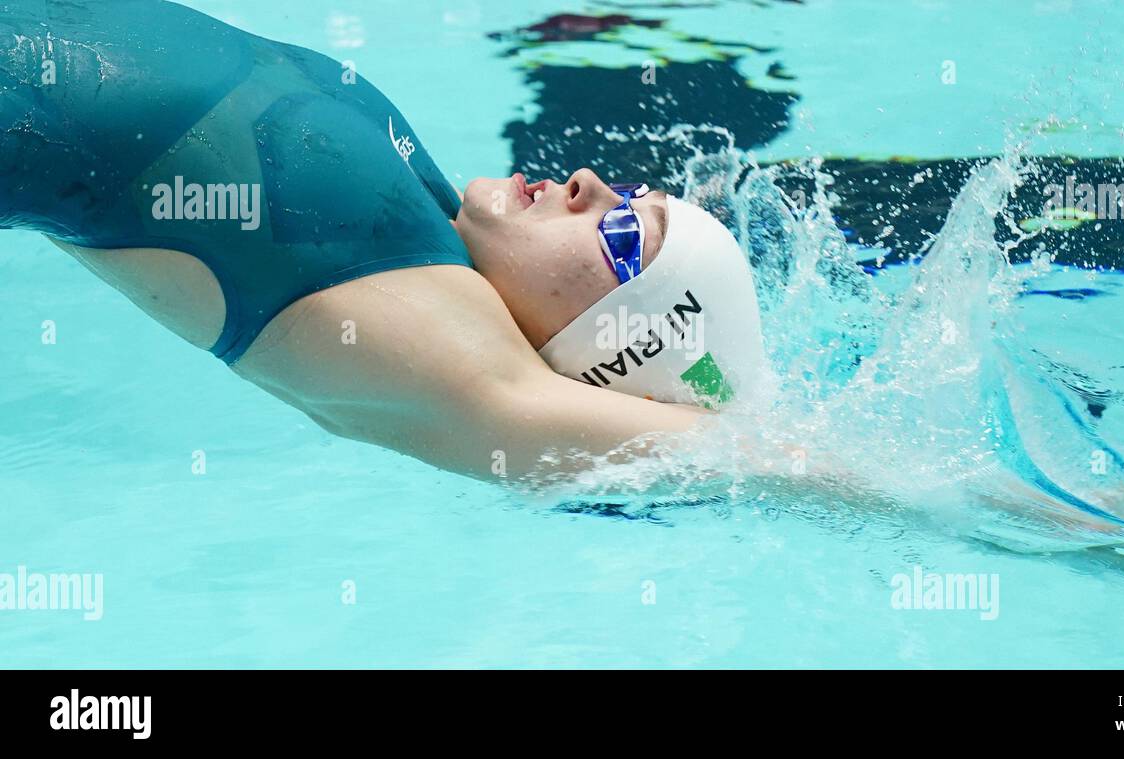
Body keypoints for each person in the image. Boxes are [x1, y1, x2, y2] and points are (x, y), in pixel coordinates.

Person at [0, 0, 763, 480]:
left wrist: (861, 489)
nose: (593, 184)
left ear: (610, 343)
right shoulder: (428, 215)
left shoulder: (436, 342)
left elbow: (538, 416)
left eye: (627, 231)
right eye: (632, 194)